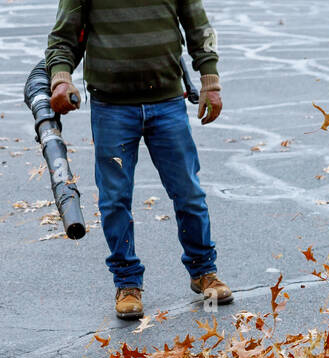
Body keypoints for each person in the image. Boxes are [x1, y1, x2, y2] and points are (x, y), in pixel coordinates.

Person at [46, 0, 233, 319]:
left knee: (189, 193)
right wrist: (61, 79)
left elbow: (198, 26)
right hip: (112, 107)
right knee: (115, 200)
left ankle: (204, 272)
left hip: (167, 103)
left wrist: (210, 81)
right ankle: (127, 283)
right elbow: (64, 36)